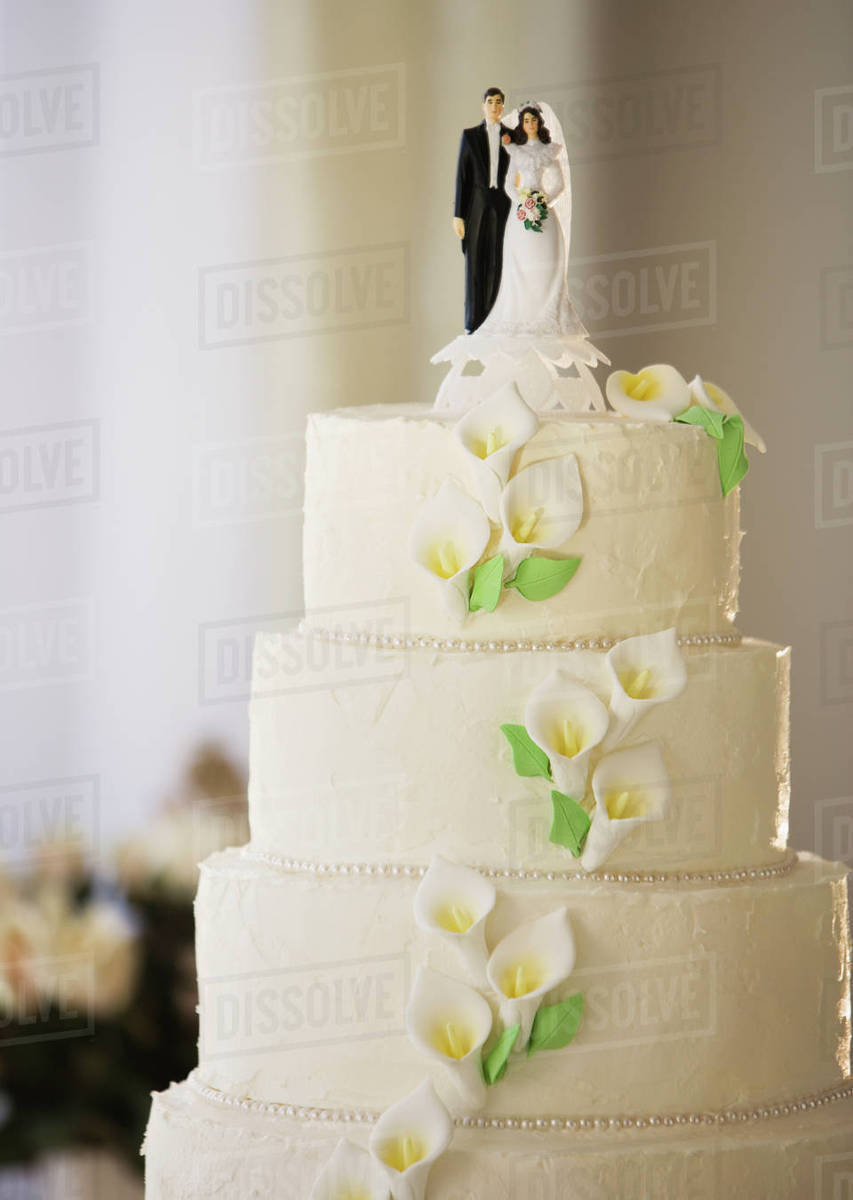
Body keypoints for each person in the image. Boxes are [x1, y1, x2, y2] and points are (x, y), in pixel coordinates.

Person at [476, 101, 587, 341]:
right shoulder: (518, 152)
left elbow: (559, 184)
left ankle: (546, 313)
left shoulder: (548, 152)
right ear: (522, 124)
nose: (530, 124)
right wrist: (521, 203)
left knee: (546, 262)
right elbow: (508, 184)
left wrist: (542, 201)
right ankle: (521, 315)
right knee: (520, 263)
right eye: (526, 121)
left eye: (533, 120)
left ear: (539, 123)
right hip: (521, 216)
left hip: (543, 217)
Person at [453, 87, 512, 333]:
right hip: (476, 202)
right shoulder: (470, 136)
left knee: (498, 258)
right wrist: (458, 214)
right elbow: (462, 177)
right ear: (483, 106)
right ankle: (473, 321)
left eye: (499, 102)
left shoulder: (512, 136)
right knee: (475, 258)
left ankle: (494, 317)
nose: (494, 106)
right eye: (490, 102)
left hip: (502, 201)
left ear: (503, 107)